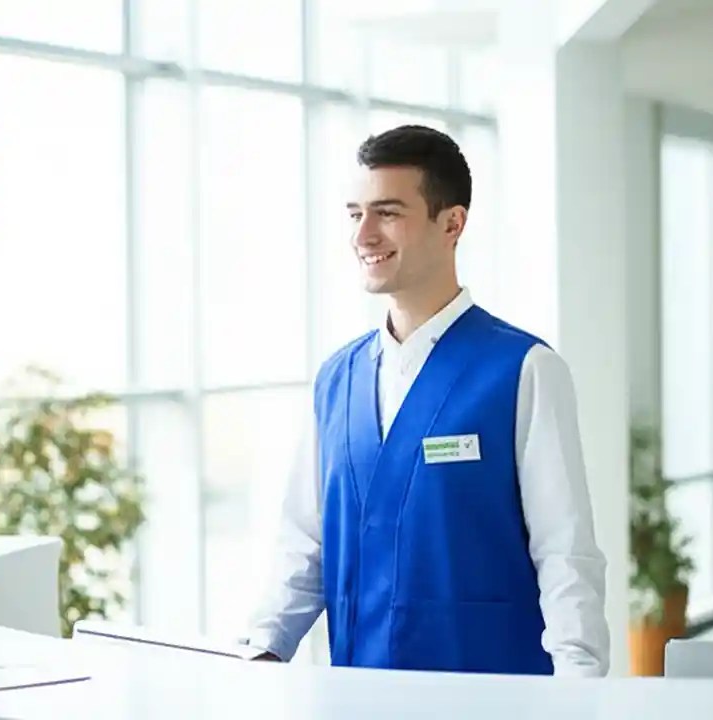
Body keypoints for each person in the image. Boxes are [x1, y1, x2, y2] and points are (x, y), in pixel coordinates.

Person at [246, 126, 609, 676]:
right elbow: (305, 543)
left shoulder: (524, 370)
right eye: (355, 214)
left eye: (387, 213)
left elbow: (565, 553)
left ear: (452, 223)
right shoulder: (336, 380)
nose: (363, 235)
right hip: (360, 694)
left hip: (492, 697)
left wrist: (580, 689)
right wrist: (263, 647)